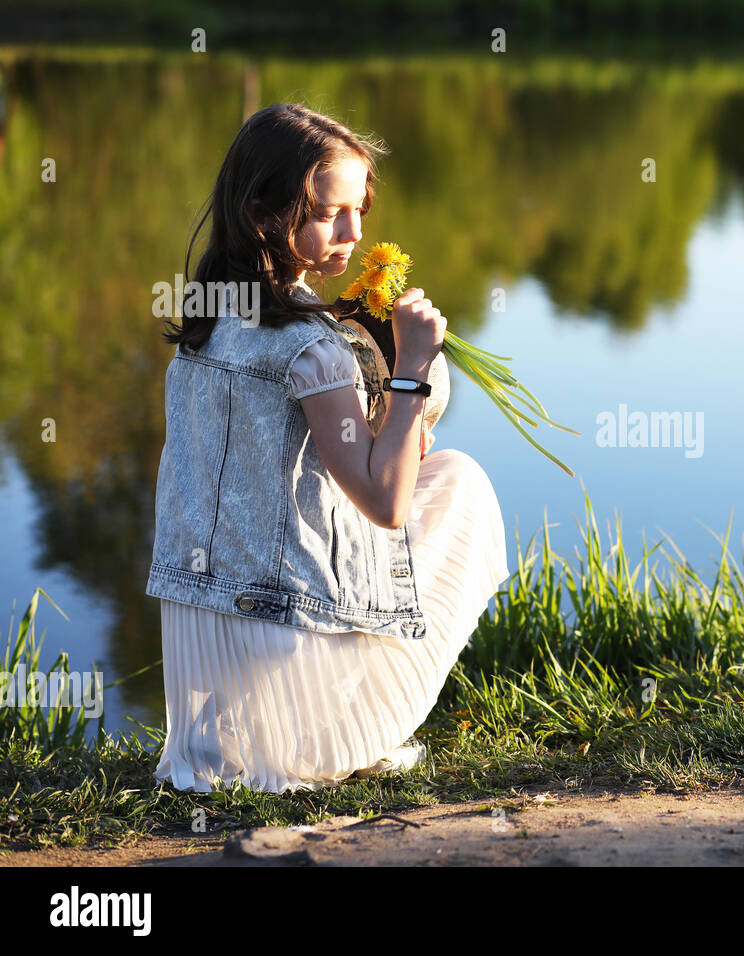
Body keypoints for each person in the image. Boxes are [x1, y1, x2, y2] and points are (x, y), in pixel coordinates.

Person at [144, 102, 509, 793]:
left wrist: (388, 411)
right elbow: (383, 503)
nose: (355, 233)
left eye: (360, 210)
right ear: (264, 213)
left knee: (425, 469)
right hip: (283, 672)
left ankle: (253, 726)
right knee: (457, 483)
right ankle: (326, 729)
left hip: (201, 669)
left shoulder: (207, 324)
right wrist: (410, 373)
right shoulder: (311, 345)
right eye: (330, 213)